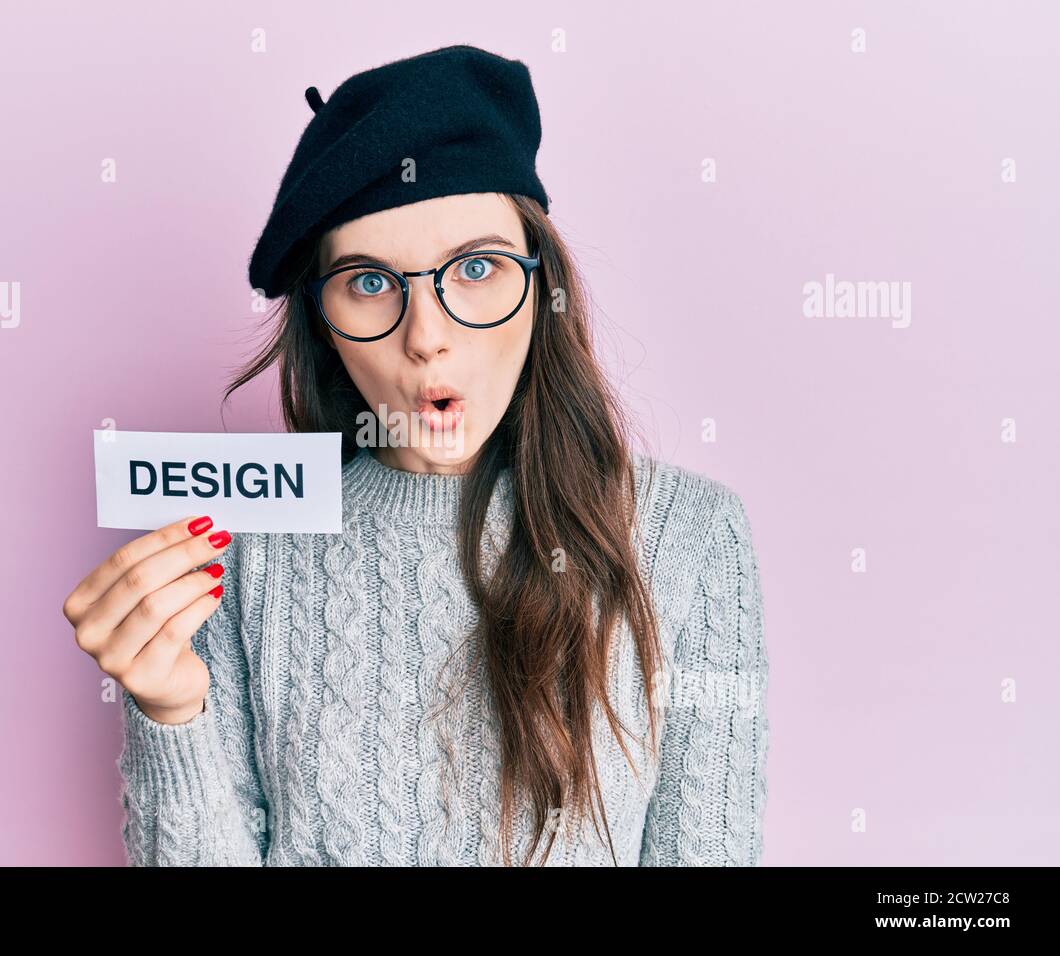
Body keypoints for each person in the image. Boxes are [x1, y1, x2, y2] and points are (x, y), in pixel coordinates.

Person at [62, 44, 769, 866]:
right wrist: (170, 714)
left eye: (477, 267)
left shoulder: (691, 539)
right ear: (322, 322)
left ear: (541, 285)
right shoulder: (239, 548)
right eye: (369, 283)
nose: (426, 337)